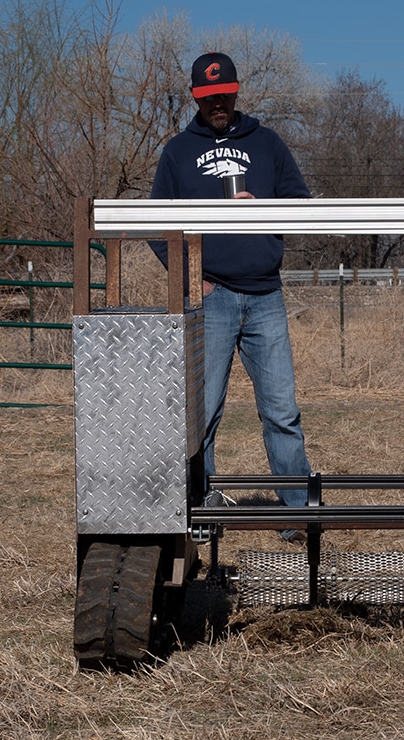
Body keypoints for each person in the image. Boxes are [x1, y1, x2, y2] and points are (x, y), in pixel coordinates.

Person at [150, 52, 313, 528]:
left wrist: (262, 206)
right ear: (195, 97)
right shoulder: (178, 152)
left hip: (266, 296)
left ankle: (296, 515)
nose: (217, 103)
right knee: (202, 412)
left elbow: (301, 205)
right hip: (212, 297)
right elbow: (154, 225)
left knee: (282, 410)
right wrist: (187, 277)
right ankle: (201, 509)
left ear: (238, 91)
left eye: (223, 95)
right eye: (207, 97)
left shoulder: (268, 144)